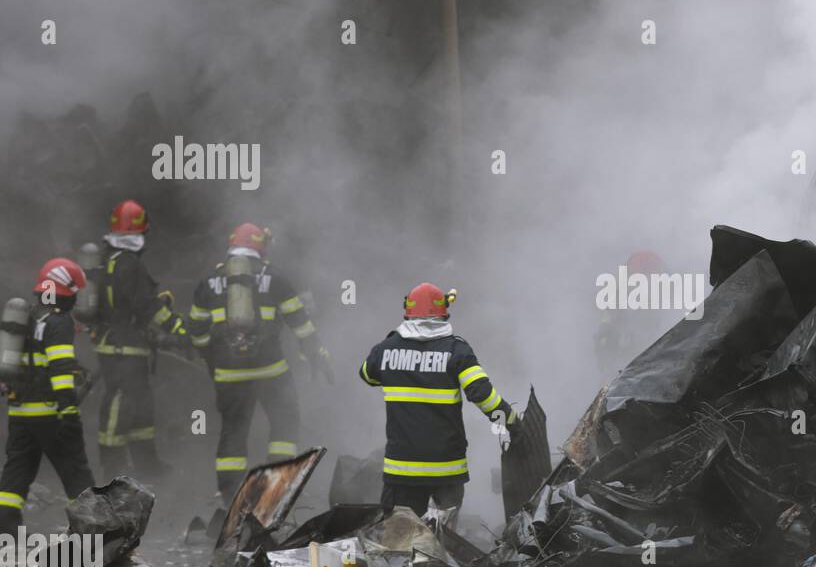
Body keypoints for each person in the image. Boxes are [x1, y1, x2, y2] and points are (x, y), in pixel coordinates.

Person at [188, 223, 331, 499]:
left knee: (233, 430)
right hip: (271, 371)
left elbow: (197, 332)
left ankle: (231, 496)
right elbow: (300, 325)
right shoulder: (275, 278)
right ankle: (275, 489)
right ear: (260, 247)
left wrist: (213, 361)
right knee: (285, 422)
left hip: (228, 374)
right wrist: (316, 354)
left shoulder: (208, 282)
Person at [359, 282, 518, 528]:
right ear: (444, 314)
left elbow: (367, 375)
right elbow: (482, 394)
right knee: (442, 540)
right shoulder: (457, 350)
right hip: (447, 470)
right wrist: (510, 420)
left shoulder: (386, 349)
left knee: (401, 541)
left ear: (407, 312)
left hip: (403, 472)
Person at [91, 199, 187, 480]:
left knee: (140, 403)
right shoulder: (131, 265)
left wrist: (157, 303)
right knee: (120, 403)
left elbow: (126, 302)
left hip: (118, 344)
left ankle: (147, 465)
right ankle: (112, 468)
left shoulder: (108, 261)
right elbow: (146, 308)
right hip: (126, 348)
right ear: (139, 234)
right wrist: (177, 326)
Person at [0, 258, 94, 534]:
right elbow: (60, 370)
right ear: (67, 291)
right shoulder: (59, 321)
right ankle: (92, 534)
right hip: (50, 414)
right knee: (76, 473)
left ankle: (5, 535)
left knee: (15, 477)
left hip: (19, 414)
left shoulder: (26, 317)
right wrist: (69, 412)